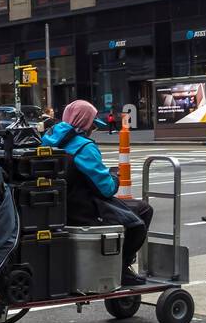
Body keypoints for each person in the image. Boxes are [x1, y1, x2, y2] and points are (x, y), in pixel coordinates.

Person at [42, 100, 153, 286]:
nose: (93, 129)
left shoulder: (47, 139)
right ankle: (121, 268)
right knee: (142, 212)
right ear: (85, 124)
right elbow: (107, 189)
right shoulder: (85, 148)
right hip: (84, 211)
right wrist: (115, 176)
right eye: (92, 125)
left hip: (57, 211)